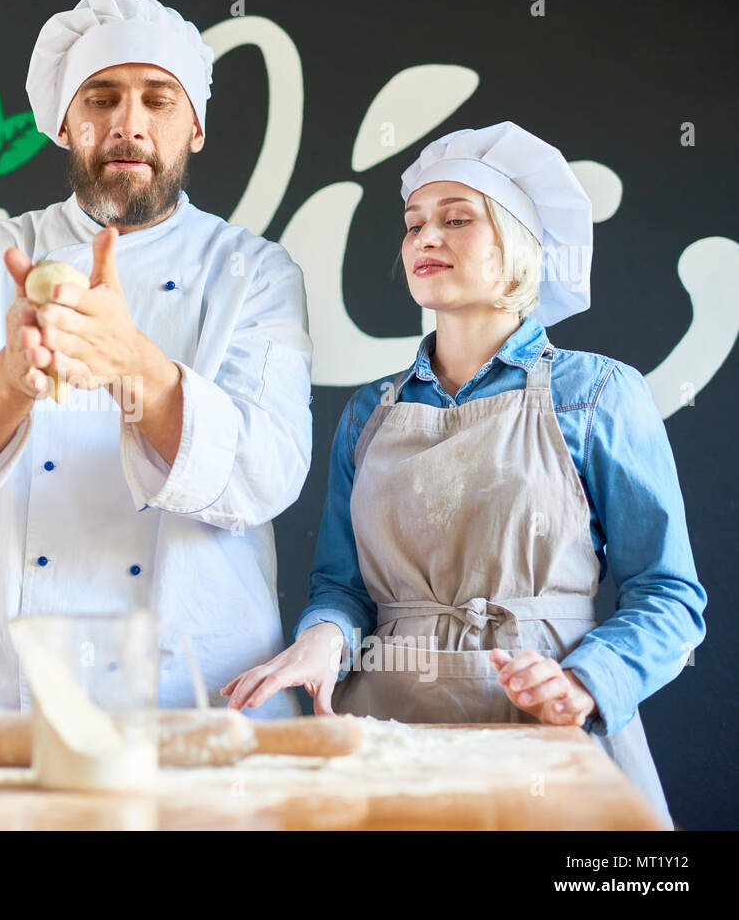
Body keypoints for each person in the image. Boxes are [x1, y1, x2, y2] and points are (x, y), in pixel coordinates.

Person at [222, 122, 706, 826]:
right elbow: (342, 587)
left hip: (547, 734)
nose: (425, 236)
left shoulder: (598, 394)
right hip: (387, 736)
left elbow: (669, 596)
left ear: (518, 246)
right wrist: (324, 637)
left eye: (456, 219)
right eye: (413, 223)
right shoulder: (368, 413)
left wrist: (586, 680)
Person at [0, 0, 313, 717]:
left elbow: (264, 472)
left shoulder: (255, 273)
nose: (127, 124)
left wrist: (130, 364)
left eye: (158, 100)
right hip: (3, 675)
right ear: (63, 123)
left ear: (195, 128)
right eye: (101, 99)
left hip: (194, 677)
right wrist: (9, 380)